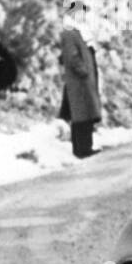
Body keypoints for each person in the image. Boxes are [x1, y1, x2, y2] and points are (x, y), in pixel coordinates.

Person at [58, 8, 103, 157]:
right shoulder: (69, 33)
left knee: (84, 115)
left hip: (83, 82)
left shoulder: (75, 32)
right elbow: (72, 57)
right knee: (81, 116)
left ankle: (84, 148)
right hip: (79, 83)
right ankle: (82, 150)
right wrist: (84, 71)